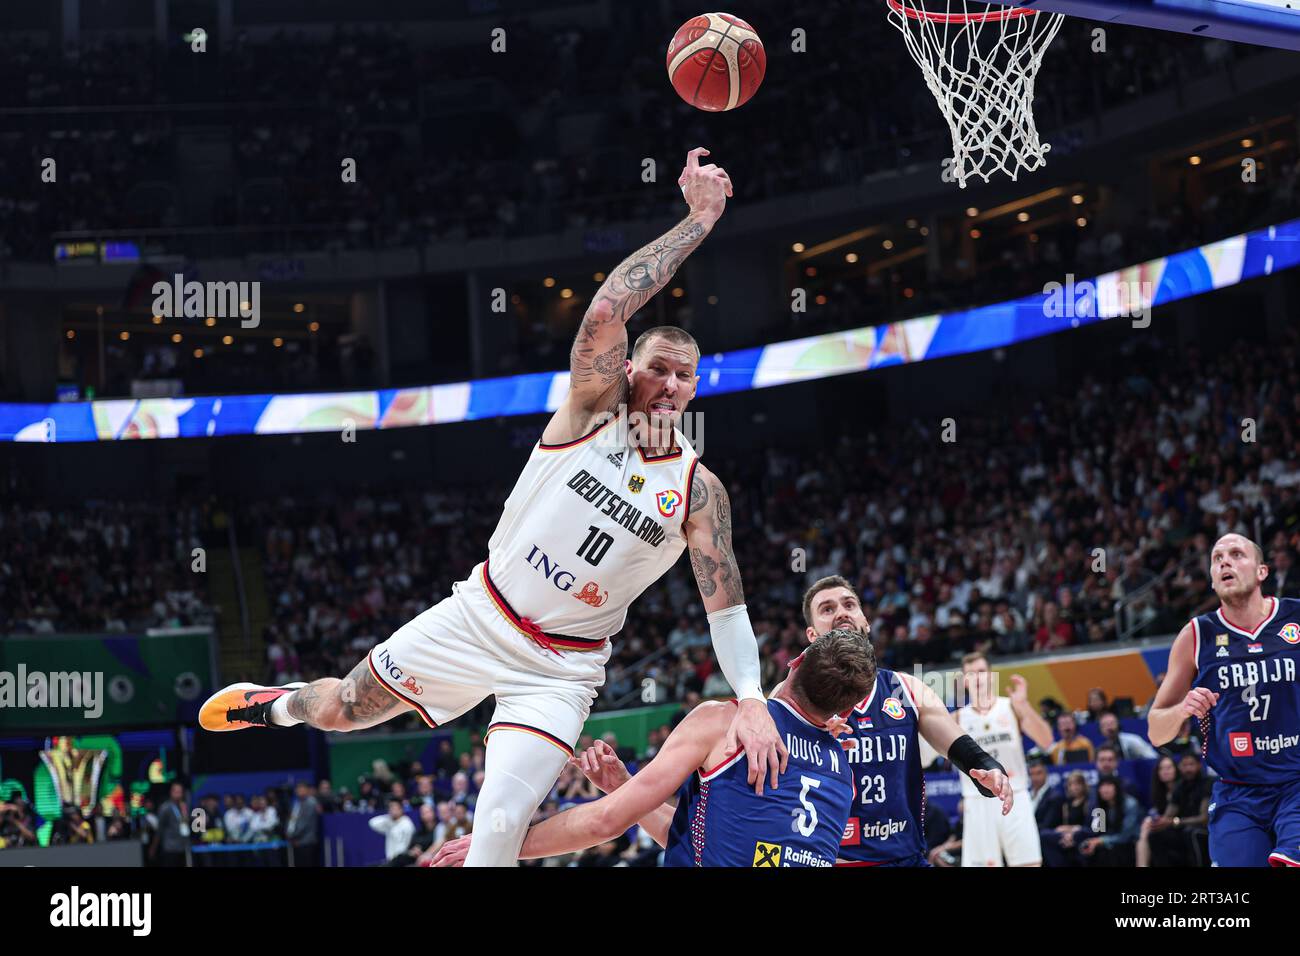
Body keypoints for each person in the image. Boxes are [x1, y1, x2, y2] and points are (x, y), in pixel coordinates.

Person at [199, 148, 786, 867]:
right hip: (479, 616)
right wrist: (699, 220)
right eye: (657, 366)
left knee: (501, 826)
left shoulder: (699, 490)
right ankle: (279, 703)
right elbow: (608, 306)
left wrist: (752, 696)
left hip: (560, 670)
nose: (668, 382)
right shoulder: (590, 412)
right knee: (338, 713)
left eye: (682, 375)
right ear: (629, 369)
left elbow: (723, 606)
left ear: (695, 389)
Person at [434, 631, 990, 867]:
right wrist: (627, 787)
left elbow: (604, 824)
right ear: (843, 713)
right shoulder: (841, 771)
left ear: (793, 663)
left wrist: (497, 846)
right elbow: (713, 837)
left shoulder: (720, 722)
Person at [781, 576, 1016, 867]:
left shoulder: (906, 689)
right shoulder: (793, 699)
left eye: (849, 604)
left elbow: (960, 746)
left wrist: (988, 770)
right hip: (832, 859)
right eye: (827, 609)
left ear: (865, 621)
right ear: (812, 634)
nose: (841, 611)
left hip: (906, 857)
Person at [1148, 533, 1300, 866]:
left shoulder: (1296, 618)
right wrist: (1182, 710)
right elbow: (1156, 731)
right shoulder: (1196, 635)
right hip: (1237, 791)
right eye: (1217, 558)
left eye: (1236, 554)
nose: (1224, 562)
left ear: (1262, 571)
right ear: (1214, 581)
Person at [954, 653, 1055, 866]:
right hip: (977, 801)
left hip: (1016, 794)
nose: (978, 679)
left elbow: (1047, 741)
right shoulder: (957, 718)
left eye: (981, 672)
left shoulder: (1011, 706)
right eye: (971, 674)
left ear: (991, 675)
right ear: (964, 681)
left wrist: (1024, 705)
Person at [1140, 754, 1211, 867]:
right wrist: (1159, 822)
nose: (1188, 769)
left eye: (1191, 764)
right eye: (1184, 765)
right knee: (1156, 835)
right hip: (1183, 827)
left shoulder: (1207, 783)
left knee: (1191, 833)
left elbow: (1204, 819)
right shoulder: (1180, 786)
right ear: (1180, 767)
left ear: (1199, 765)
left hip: (1203, 828)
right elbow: (1168, 815)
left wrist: (1174, 821)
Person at [1079, 774, 1141, 867]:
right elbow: (1097, 831)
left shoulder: (1130, 804)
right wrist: (1090, 842)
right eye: (1102, 786)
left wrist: (1100, 841)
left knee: (1110, 853)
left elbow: (1125, 836)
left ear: (1116, 788)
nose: (1105, 790)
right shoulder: (1099, 806)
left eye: (1109, 785)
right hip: (1108, 842)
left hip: (1128, 844)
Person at [369, 798, 416, 865]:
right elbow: (372, 823)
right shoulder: (389, 822)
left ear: (401, 809)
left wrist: (396, 860)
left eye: (395, 808)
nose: (392, 810)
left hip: (400, 861)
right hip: (389, 860)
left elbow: (406, 844)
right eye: (390, 808)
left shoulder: (407, 824)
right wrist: (389, 817)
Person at [285, 782, 320, 867]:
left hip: (307, 841)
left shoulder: (311, 803)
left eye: (301, 789)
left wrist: (292, 836)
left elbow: (304, 823)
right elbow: (292, 819)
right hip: (298, 842)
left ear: (307, 790)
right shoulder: (297, 803)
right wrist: (288, 832)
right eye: (297, 789)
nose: (299, 791)